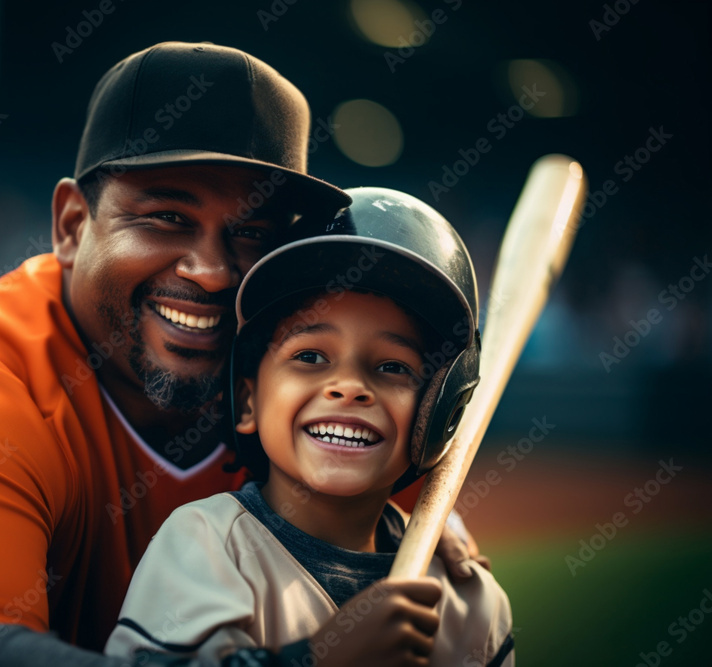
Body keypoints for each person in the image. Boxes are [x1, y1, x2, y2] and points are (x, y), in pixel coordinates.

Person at [0, 43, 479, 667]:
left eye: (252, 233)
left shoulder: (296, 375)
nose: (212, 272)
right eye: (166, 217)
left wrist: (380, 512)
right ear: (70, 225)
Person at [105, 188, 514, 666]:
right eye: (310, 357)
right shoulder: (208, 547)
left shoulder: (472, 603)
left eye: (392, 367)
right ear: (248, 401)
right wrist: (321, 658)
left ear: (437, 416)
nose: (348, 387)